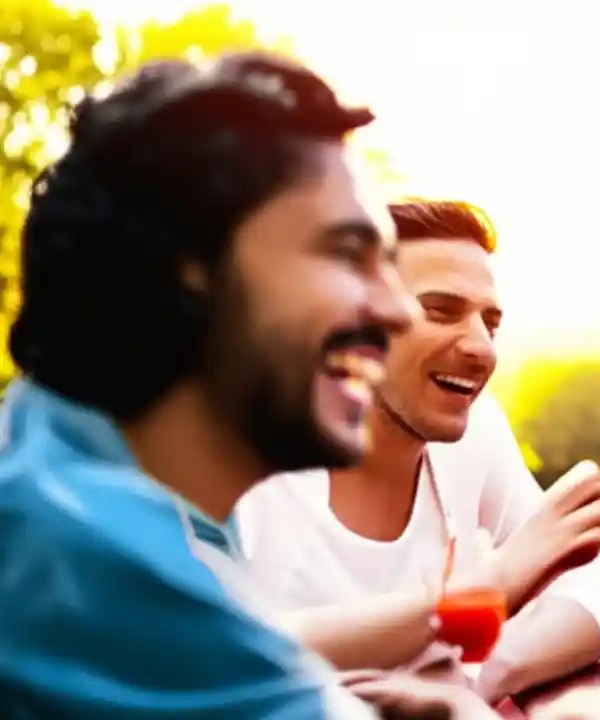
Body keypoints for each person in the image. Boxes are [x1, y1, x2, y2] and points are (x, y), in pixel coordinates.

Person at [0, 53, 495, 719]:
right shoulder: (89, 554)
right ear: (187, 269)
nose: (396, 310)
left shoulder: (64, 462)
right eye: (346, 255)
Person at [236, 199, 600, 703]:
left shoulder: (473, 436)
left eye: (490, 323)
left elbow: (597, 591)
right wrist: (476, 598)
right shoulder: (249, 455)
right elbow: (216, 649)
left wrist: (477, 679)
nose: (482, 348)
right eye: (441, 310)